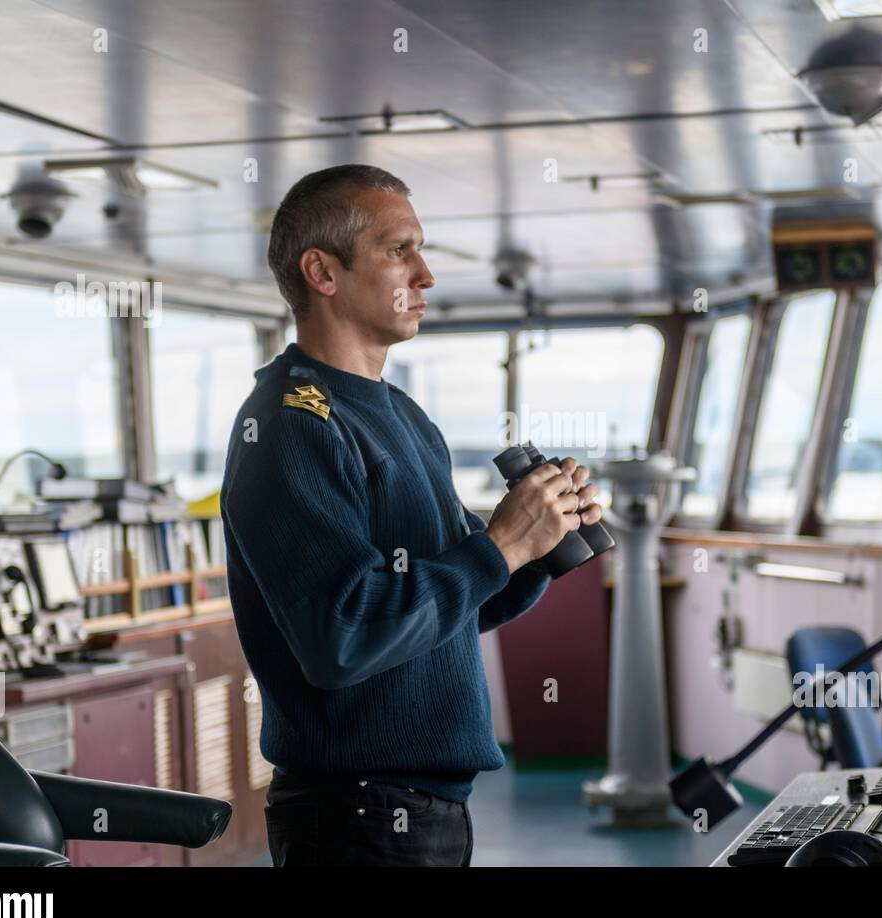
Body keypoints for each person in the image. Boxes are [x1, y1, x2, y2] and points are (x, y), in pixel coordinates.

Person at [221, 164, 603, 866]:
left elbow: (452, 605)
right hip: (354, 814)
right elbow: (346, 637)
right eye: (399, 251)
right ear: (323, 272)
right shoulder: (291, 425)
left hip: (424, 807)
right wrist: (499, 548)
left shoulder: (403, 415)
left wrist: (539, 544)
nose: (425, 275)